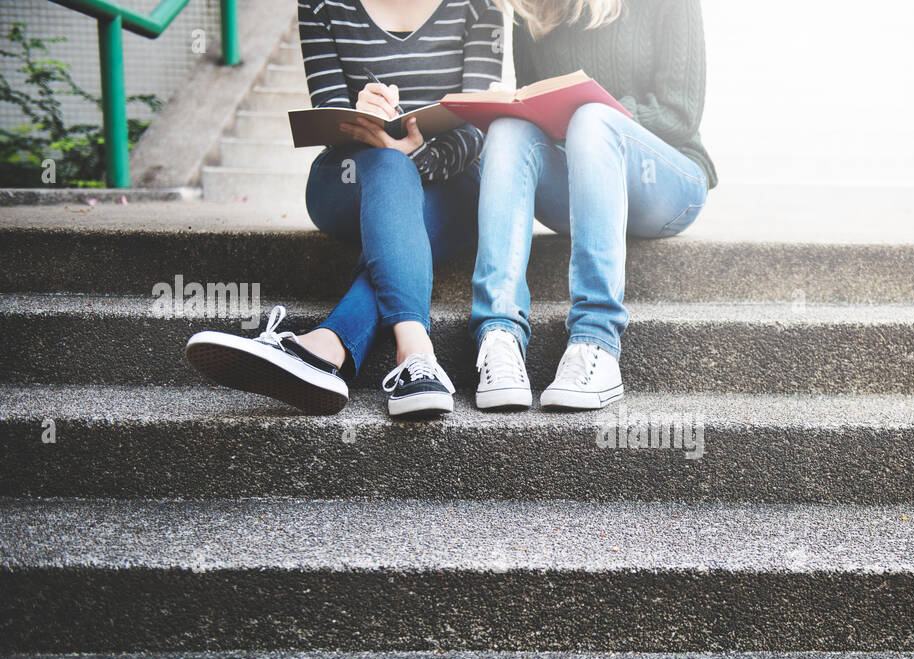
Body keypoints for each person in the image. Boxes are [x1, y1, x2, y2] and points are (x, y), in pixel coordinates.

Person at [186, 0, 504, 417]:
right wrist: (361, 114)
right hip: (352, 174)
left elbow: (478, 125)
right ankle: (417, 357)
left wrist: (420, 155)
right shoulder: (321, 4)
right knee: (391, 166)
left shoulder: (480, 6)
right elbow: (326, 109)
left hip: (454, 182)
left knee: (402, 181)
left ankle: (323, 348)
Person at [470, 0, 716, 410]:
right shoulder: (529, 7)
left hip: (667, 181)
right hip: (582, 180)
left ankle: (596, 341)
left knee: (592, 119)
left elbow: (680, 115)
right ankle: (499, 336)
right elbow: (537, 116)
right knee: (510, 126)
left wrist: (594, 114)